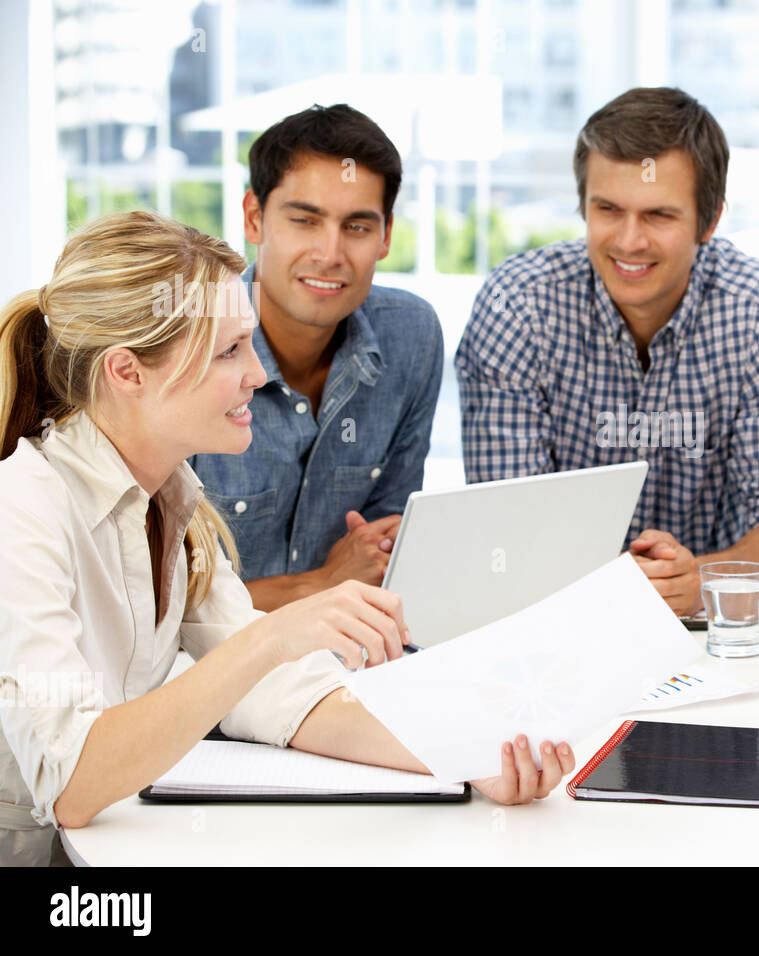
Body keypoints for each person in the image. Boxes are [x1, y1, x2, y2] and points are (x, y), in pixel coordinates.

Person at [0, 212, 572, 867]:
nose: (257, 374)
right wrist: (274, 635)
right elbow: (72, 783)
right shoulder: (22, 504)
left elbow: (282, 697)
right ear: (128, 373)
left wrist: (468, 753)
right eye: (228, 352)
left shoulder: (174, 497)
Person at [456, 87, 759, 615]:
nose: (629, 241)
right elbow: (507, 520)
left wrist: (705, 579)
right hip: (554, 617)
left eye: (658, 215)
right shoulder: (518, 304)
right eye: (608, 209)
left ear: (709, 221)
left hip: (711, 623)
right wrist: (619, 593)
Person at [190, 104, 443, 612]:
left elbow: (389, 550)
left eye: (356, 227)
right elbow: (158, 605)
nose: (330, 254)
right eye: (305, 220)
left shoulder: (411, 337)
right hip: (201, 670)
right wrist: (320, 583)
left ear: (386, 235)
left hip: (348, 650)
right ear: (254, 217)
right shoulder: (187, 344)